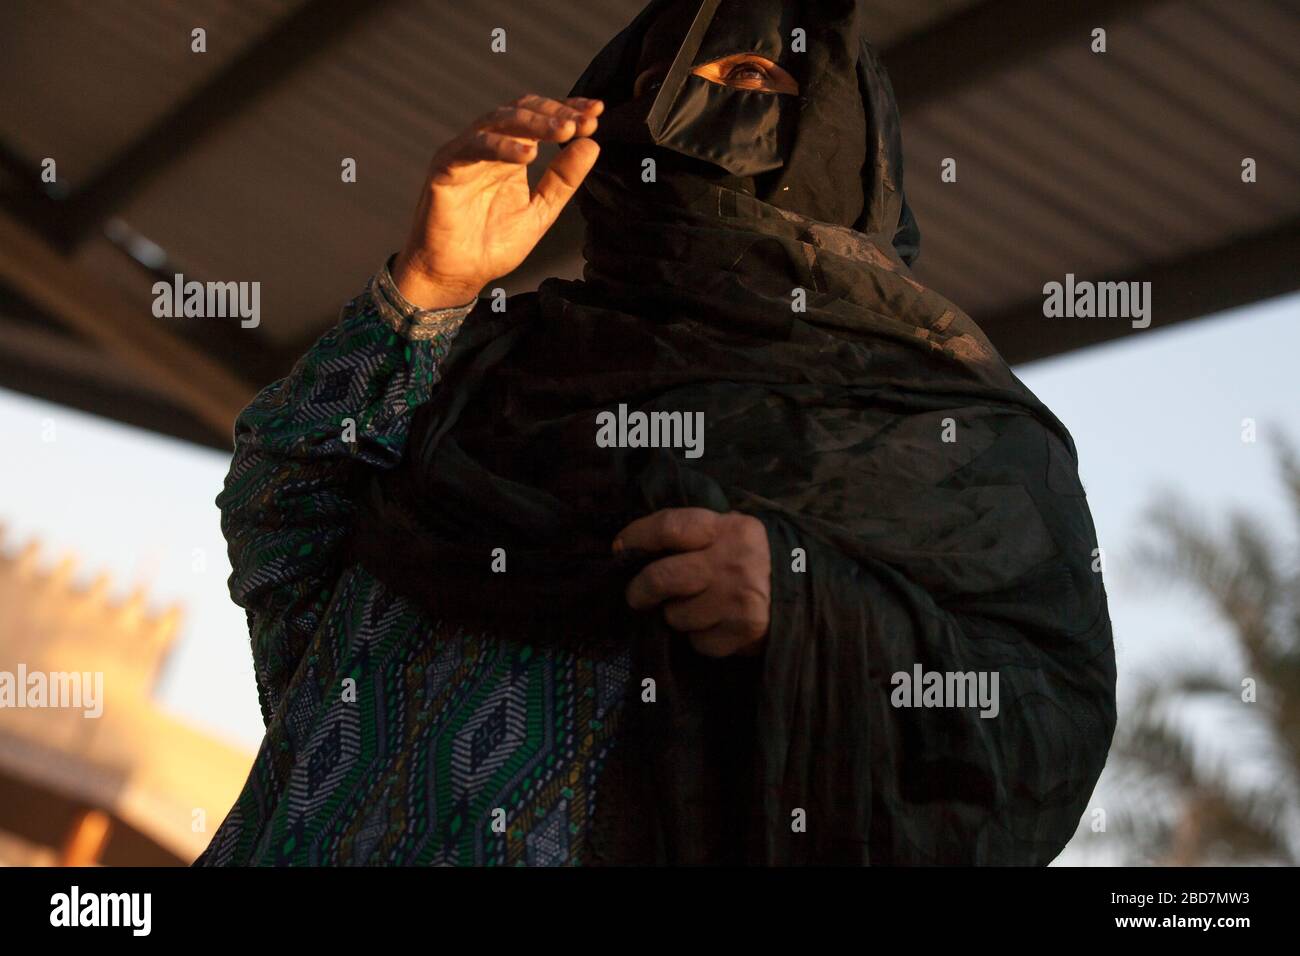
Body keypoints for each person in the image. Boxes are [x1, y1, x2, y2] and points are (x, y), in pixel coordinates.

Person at [196, 0, 1115, 866]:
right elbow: (282, 512)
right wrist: (431, 283)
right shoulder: (486, 366)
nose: (678, 115)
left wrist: (810, 614)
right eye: (654, 82)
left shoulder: (958, 437)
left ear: (847, 133)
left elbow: (1043, 738)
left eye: (752, 77)